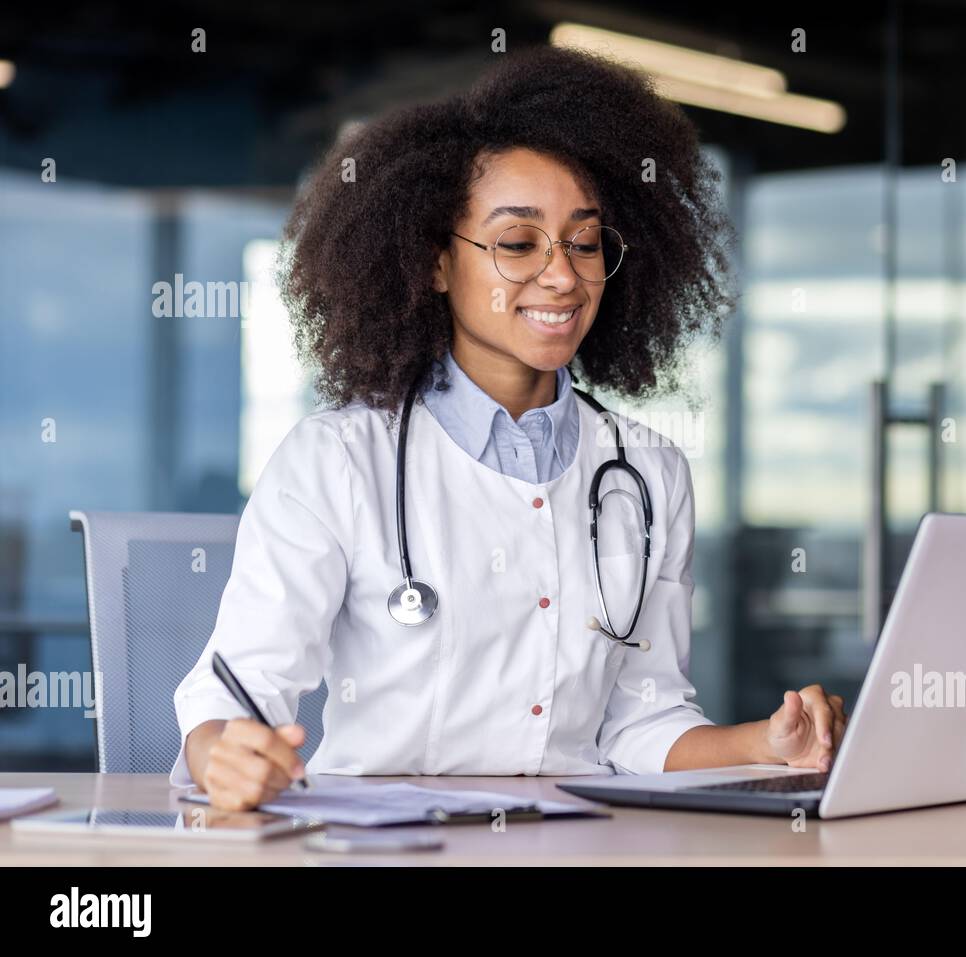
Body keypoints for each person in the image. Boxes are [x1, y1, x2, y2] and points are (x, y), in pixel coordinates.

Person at [173, 45, 848, 812]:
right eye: (518, 243)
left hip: (576, 842)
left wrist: (765, 744)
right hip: (387, 850)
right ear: (433, 263)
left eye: (585, 242)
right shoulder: (336, 459)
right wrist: (223, 751)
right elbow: (232, 690)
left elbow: (642, 719)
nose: (563, 275)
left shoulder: (649, 470)